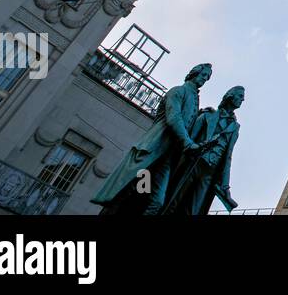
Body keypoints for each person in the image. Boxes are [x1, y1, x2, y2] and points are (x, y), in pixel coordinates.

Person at [92, 62, 210, 215]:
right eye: (203, 75)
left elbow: (188, 121)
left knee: (156, 202)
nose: (205, 79)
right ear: (194, 73)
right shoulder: (178, 91)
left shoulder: (194, 100)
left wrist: (203, 115)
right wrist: (187, 142)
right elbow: (174, 117)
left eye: (207, 77)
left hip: (166, 158)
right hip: (152, 151)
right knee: (129, 193)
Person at [163, 85, 243, 215]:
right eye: (240, 96)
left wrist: (225, 185)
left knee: (194, 210)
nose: (242, 99)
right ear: (230, 96)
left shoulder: (235, 127)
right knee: (173, 200)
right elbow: (190, 139)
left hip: (210, 172)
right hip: (194, 162)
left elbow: (228, 157)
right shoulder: (207, 115)